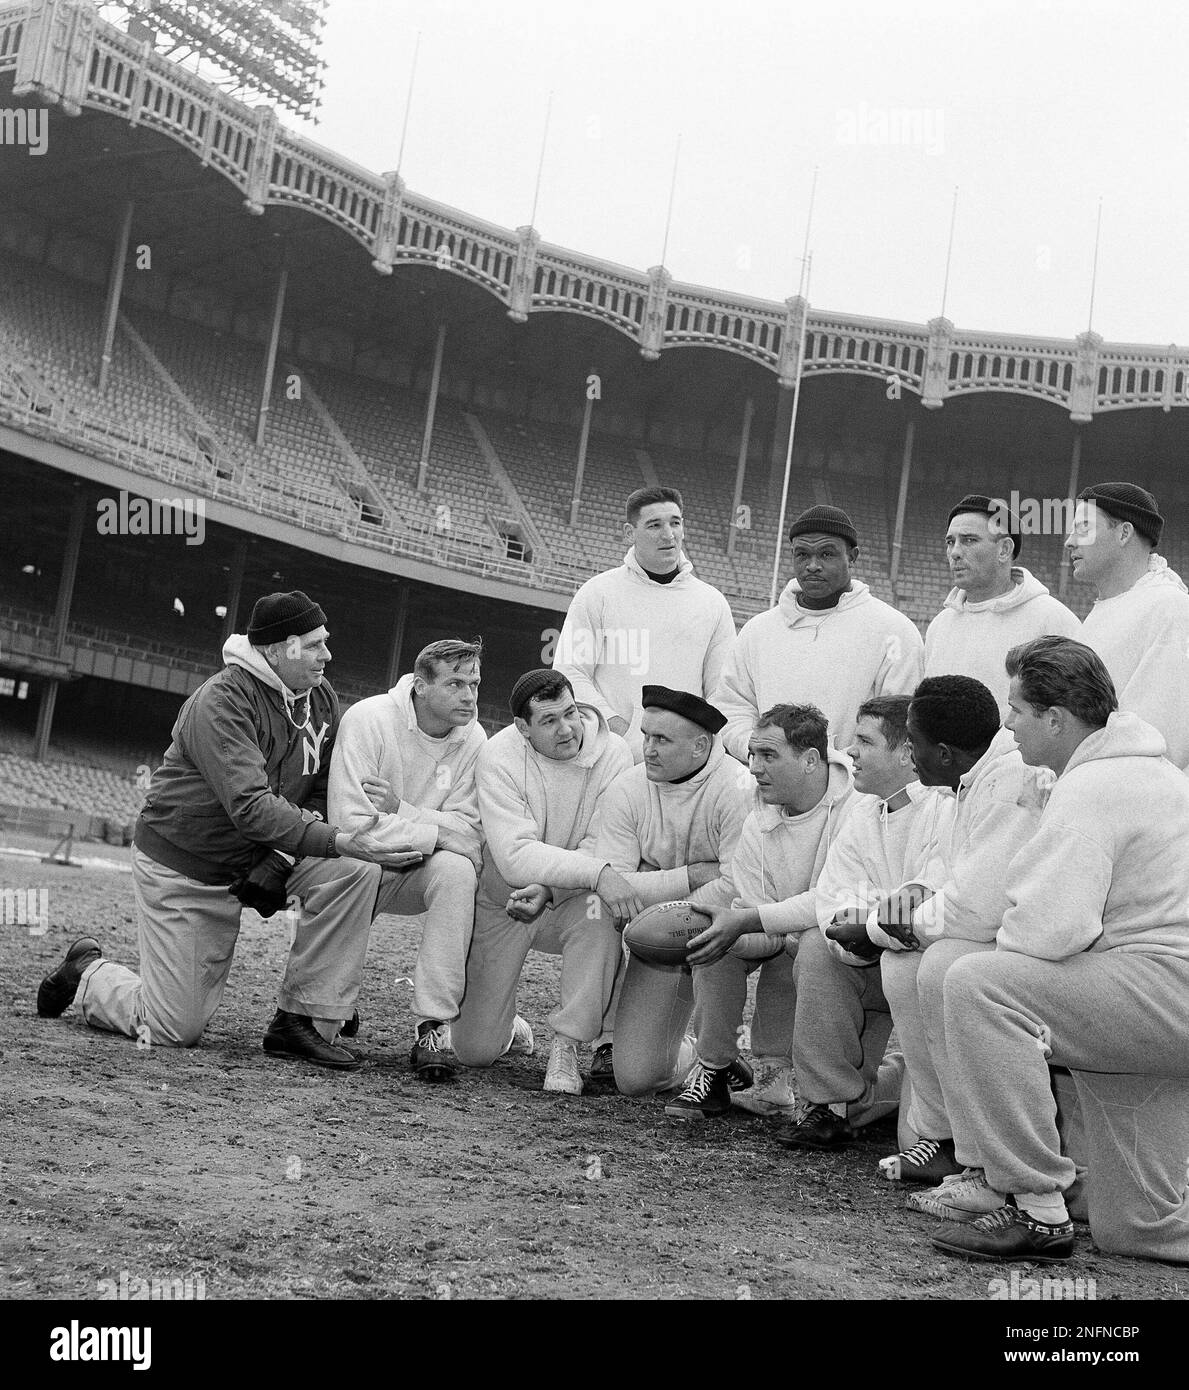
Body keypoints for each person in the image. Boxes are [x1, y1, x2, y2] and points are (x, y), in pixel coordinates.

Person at [37, 591, 417, 1070]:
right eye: (316, 644)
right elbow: (249, 805)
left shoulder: (321, 699)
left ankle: (304, 1020)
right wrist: (336, 839)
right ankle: (89, 975)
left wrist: (281, 858)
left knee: (354, 872)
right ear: (280, 648)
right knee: (174, 1027)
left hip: (266, 855)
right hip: (190, 865)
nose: (328, 654)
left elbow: (322, 788)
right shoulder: (223, 698)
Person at [919, 637, 1189, 1264]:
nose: (1006, 726)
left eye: (1016, 710)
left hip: (1162, 994)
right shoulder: (1143, 769)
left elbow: (1049, 933)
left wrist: (994, 929)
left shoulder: (1095, 784)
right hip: (1148, 1006)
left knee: (978, 983)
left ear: (1055, 719)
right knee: (1139, 1231)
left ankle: (1037, 1211)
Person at [866, 677, 1050, 1187]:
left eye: (914, 746)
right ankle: (945, 1135)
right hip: (993, 928)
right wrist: (913, 893)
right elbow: (949, 869)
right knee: (904, 963)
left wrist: (881, 928)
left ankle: (976, 1152)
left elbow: (976, 909)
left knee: (942, 964)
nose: (910, 756)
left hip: (1037, 942)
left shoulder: (1009, 779)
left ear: (944, 752)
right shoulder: (965, 780)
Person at [452, 670, 637, 1095]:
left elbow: (604, 842)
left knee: (601, 907)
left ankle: (568, 1044)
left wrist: (558, 887)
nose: (567, 728)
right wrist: (594, 872)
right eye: (550, 720)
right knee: (474, 1052)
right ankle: (508, 1025)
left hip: (575, 899)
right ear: (523, 728)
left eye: (570, 713)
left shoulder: (615, 755)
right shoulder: (498, 755)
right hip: (507, 899)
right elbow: (515, 855)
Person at [681, 704, 858, 1122]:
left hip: (850, 944)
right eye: (753, 755)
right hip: (782, 932)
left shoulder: (857, 806)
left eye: (769, 756)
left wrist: (764, 924)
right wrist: (726, 929)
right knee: (717, 939)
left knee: (811, 942)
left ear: (811, 760)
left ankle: (779, 1077)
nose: (755, 768)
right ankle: (714, 1068)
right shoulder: (757, 815)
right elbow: (751, 908)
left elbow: (837, 900)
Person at [328, 638, 492, 1084]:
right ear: (420, 686)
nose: (470, 696)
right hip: (362, 864)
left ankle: (434, 1027)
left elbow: (473, 836)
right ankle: (331, 1002)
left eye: (474, 683)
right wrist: (438, 832)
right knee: (353, 864)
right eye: (456, 683)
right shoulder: (369, 718)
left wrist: (401, 809)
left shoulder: (475, 737)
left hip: (424, 868)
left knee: (459, 872)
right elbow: (352, 825)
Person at [584, 686, 752, 1111]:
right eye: (646, 736)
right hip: (660, 938)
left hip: (727, 937)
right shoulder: (627, 787)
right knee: (635, 1080)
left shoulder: (738, 788)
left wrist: (652, 883)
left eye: (662, 740)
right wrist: (694, 874)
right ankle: (702, 1053)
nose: (649, 749)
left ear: (701, 745)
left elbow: (738, 886)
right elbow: (615, 884)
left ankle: (727, 1060)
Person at [715, 505, 923, 761]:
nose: (812, 566)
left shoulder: (895, 632)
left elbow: (898, 723)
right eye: (802, 554)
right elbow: (732, 706)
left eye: (826, 554)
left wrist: (832, 769)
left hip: (853, 793)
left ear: (852, 557)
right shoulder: (758, 631)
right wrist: (766, 755)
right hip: (767, 785)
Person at [552, 485, 736, 763]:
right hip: (611, 756)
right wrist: (616, 729)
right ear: (630, 533)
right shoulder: (598, 593)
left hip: (684, 761)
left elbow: (721, 691)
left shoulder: (713, 603)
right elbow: (570, 672)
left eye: (675, 523)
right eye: (654, 525)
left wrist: (691, 742)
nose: (668, 534)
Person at [1065, 481, 1189, 772]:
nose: (1070, 541)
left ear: (1124, 533)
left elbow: (1160, 741)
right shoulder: (1104, 611)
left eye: (1083, 528)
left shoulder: (1171, 609)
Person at [923, 493, 1079, 711]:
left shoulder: (1052, 620)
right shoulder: (940, 625)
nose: (955, 552)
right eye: (951, 542)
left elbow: (1073, 709)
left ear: (1004, 549)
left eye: (969, 540)